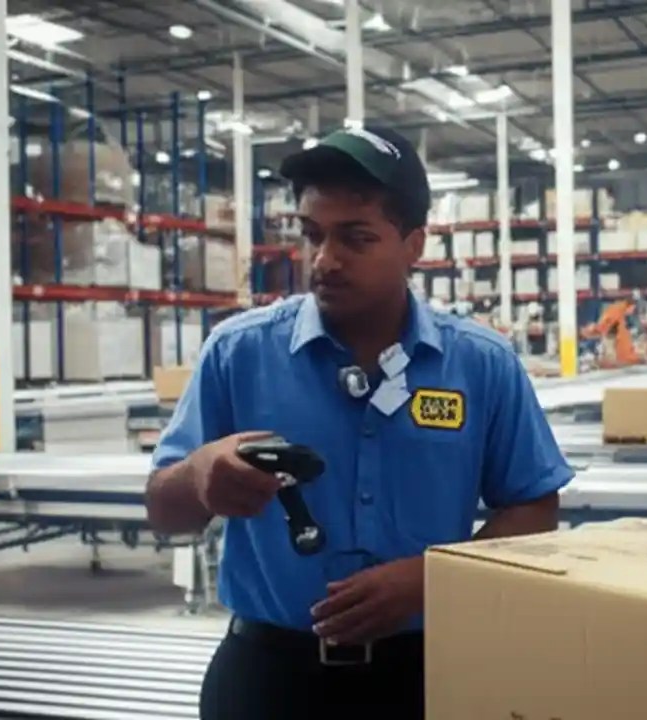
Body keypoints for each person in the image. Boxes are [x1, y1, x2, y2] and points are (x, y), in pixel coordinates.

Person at [144, 125, 573, 719]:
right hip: (268, 680)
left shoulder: (480, 365)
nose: (325, 260)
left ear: (414, 245)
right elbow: (162, 510)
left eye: (356, 238)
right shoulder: (238, 354)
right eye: (312, 235)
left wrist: (432, 580)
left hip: (423, 677)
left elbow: (534, 508)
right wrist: (196, 476)